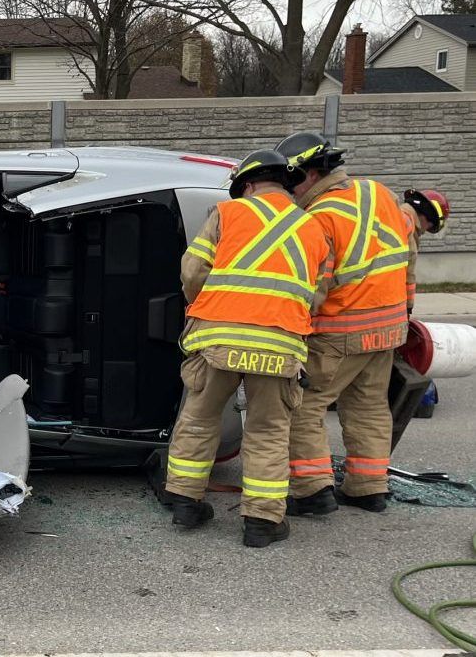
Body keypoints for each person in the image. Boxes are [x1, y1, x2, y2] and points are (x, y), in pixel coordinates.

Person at [165, 149, 330, 548]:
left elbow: (193, 271)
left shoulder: (228, 213)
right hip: (279, 344)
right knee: (269, 430)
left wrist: (202, 306)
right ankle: (262, 522)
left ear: (248, 186)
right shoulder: (313, 229)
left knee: (200, 419)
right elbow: (318, 296)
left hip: (217, 339)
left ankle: (186, 502)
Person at [275, 132, 416, 515]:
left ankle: (310, 489)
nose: (289, 191)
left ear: (310, 174)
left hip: (339, 332)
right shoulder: (380, 194)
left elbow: (314, 288)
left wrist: (292, 330)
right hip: (388, 328)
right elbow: (408, 255)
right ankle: (368, 487)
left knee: (302, 406)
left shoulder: (318, 218)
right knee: (368, 406)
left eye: (291, 181)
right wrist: (406, 306)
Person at [401, 189, 450, 307]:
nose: (424, 231)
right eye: (430, 226)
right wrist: (408, 307)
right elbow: (408, 275)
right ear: (427, 214)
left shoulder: (396, 215)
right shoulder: (406, 225)